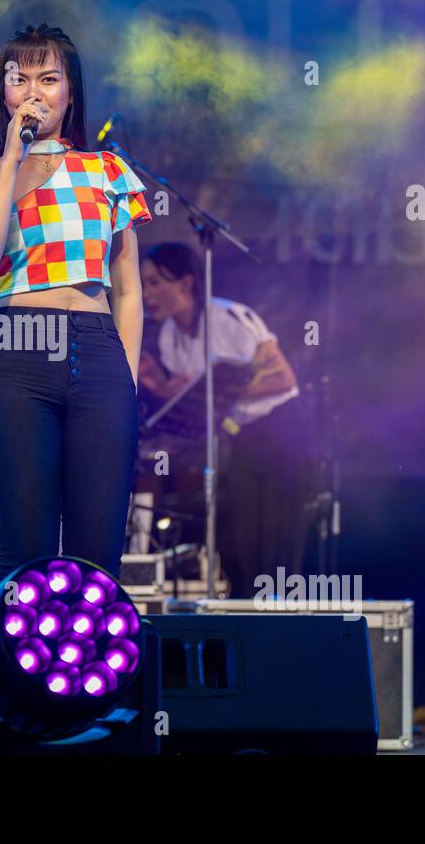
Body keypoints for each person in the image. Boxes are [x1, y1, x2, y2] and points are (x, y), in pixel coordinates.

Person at [0, 23, 151, 587]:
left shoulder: (108, 171)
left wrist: (127, 379)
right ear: (4, 95)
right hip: (19, 345)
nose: (35, 92)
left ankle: (95, 672)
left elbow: (129, 288)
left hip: (98, 353)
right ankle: (7, 677)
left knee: (98, 561)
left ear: (71, 91)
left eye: (50, 78)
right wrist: (13, 156)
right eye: (21, 81)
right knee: (25, 555)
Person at [137, 242, 305, 597]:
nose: (146, 293)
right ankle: (245, 611)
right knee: (238, 535)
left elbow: (284, 379)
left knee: (273, 538)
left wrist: (217, 387)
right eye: (143, 284)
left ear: (185, 284)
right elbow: (199, 403)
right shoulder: (169, 337)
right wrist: (161, 388)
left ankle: (280, 620)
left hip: (281, 432)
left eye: (154, 283)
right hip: (238, 437)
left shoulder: (228, 319)